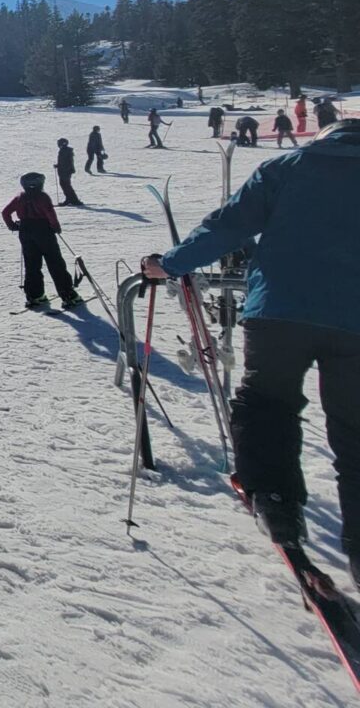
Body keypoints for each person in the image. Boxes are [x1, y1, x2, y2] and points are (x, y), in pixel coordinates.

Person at [141, 120, 360, 582]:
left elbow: (228, 227)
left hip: (280, 312)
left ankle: (276, 501)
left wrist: (170, 264)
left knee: (267, 404)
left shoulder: (285, 168)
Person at [1, 172, 81, 311]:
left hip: (25, 230)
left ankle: (35, 296)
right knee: (55, 263)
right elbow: (50, 212)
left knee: (31, 264)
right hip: (43, 230)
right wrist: (56, 227)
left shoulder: (20, 197)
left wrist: (13, 226)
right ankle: (68, 296)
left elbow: (5, 212)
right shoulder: (42, 197)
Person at [55, 138, 82, 206]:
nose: (58, 145)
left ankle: (74, 200)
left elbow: (69, 161)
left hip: (65, 171)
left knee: (66, 185)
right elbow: (63, 161)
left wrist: (69, 169)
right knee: (65, 185)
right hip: (63, 170)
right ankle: (69, 199)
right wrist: (58, 165)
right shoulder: (63, 150)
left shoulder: (66, 151)